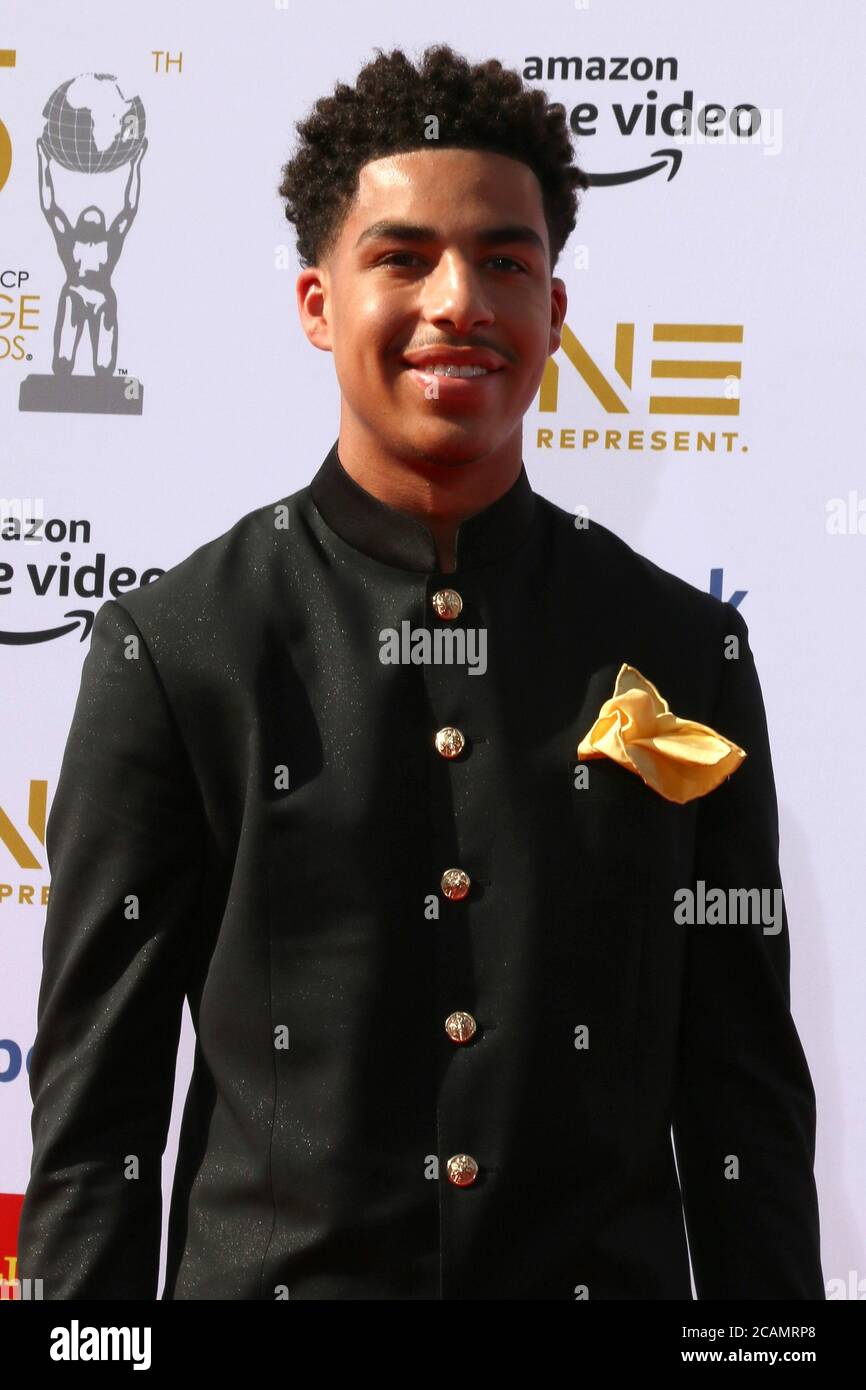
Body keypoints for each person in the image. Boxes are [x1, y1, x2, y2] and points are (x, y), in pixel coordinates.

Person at [16, 43, 824, 1300]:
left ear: (553, 311)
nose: (458, 301)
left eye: (504, 261)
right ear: (317, 304)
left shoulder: (680, 652)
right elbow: (96, 1124)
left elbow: (745, 1103)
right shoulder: (176, 650)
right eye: (402, 258)